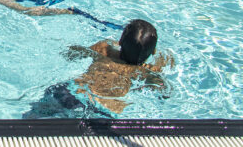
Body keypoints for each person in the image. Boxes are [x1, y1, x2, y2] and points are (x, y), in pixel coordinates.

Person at [24, 19, 172, 118]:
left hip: (71, 91)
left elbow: (73, 53)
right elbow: (163, 88)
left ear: (120, 41)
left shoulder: (104, 49)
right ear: (153, 52)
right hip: (101, 110)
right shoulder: (147, 71)